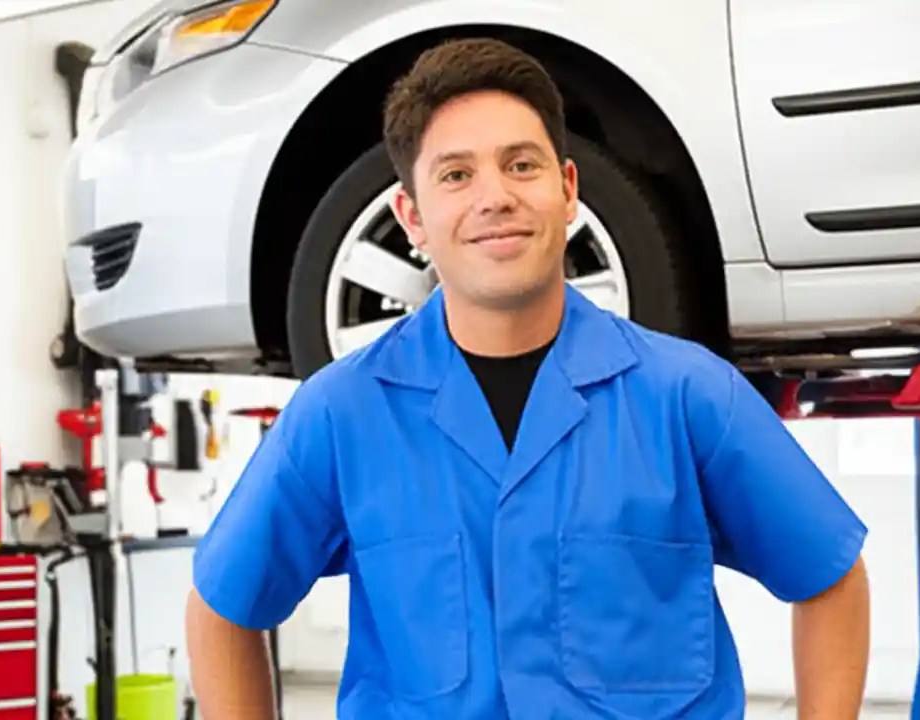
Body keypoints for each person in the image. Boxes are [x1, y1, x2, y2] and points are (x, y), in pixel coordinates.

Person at [185, 37, 870, 719]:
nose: (496, 197)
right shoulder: (340, 414)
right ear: (412, 218)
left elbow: (831, 578)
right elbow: (222, 606)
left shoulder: (688, 396)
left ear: (567, 190)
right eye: (456, 175)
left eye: (521, 165)